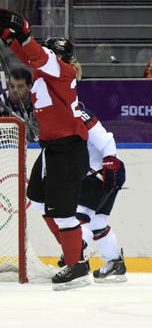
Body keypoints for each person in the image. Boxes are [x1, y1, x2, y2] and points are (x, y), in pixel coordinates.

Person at [0, 12, 91, 290]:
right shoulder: (46, 68)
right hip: (52, 149)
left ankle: (76, 265)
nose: (39, 54)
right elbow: (28, 53)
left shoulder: (60, 69)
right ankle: (74, 250)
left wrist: (24, 32)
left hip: (67, 151)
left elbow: (35, 53)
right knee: (40, 199)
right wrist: (6, 34)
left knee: (64, 213)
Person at [72, 108, 127, 282]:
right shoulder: (62, 114)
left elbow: (107, 140)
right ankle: (115, 264)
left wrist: (110, 162)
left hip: (101, 173)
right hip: (104, 173)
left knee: (80, 218)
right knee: (98, 223)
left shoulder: (79, 114)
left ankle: (76, 262)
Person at [0, 67, 39, 142]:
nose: (15, 90)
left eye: (20, 86)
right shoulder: (3, 101)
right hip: (11, 149)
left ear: (29, 87)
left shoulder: (39, 101)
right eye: (12, 86)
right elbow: (0, 137)